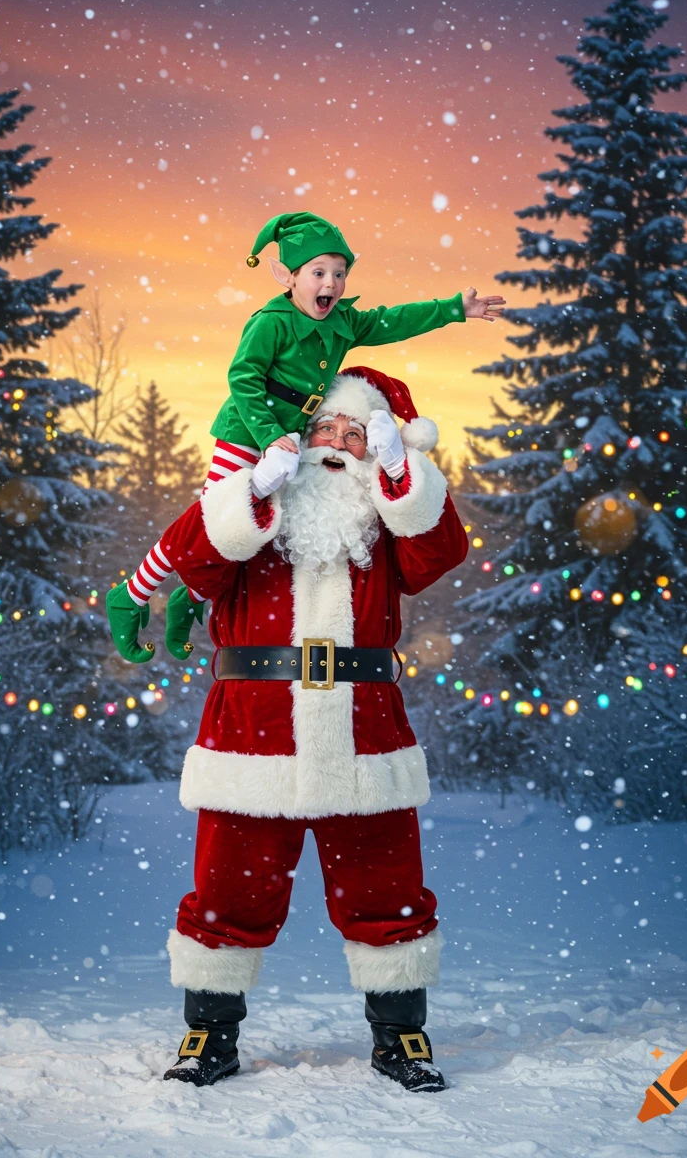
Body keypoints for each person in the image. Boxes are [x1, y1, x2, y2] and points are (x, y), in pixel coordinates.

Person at [109, 367, 469, 1091]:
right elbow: (192, 552)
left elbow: (441, 552)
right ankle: (209, 1036)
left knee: (387, 890)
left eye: (356, 434)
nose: (336, 443)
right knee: (226, 891)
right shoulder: (254, 514)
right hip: (254, 728)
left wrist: (402, 475)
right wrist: (250, 485)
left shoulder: (386, 520)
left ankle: (401, 1038)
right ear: (297, 439)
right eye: (323, 428)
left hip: (363, 730)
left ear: (379, 447)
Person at [106, 211, 504, 658]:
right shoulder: (271, 322)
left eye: (339, 273)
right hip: (248, 426)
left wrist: (453, 309)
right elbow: (243, 378)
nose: (330, 283)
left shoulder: (343, 324)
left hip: (288, 434)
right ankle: (133, 594)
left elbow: (393, 321)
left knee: (228, 523)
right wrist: (268, 436)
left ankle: (191, 597)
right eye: (318, 272)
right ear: (287, 276)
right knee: (214, 514)